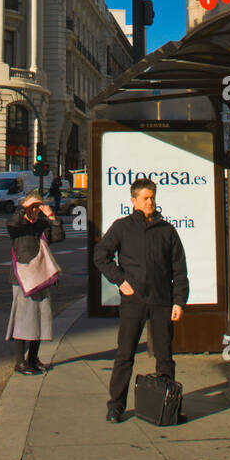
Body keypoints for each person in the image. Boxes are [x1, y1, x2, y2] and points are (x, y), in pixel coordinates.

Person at [93, 177, 189, 423]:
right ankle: (116, 405)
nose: (150, 202)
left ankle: (167, 406)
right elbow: (101, 255)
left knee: (165, 356)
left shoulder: (166, 230)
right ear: (133, 200)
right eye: (145, 198)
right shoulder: (122, 227)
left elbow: (179, 269)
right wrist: (121, 281)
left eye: (152, 197)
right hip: (134, 300)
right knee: (125, 354)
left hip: (162, 300)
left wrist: (179, 301)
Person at [6, 190, 64, 374]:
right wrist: (23, 209)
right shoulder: (19, 225)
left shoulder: (42, 224)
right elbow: (12, 224)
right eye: (32, 206)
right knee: (24, 321)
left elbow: (58, 236)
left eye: (38, 206)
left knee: (39, 320)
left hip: (41, 277)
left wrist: (52, 216)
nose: (35, 210)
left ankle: (33, 358)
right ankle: (19, 362)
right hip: (23, 280)